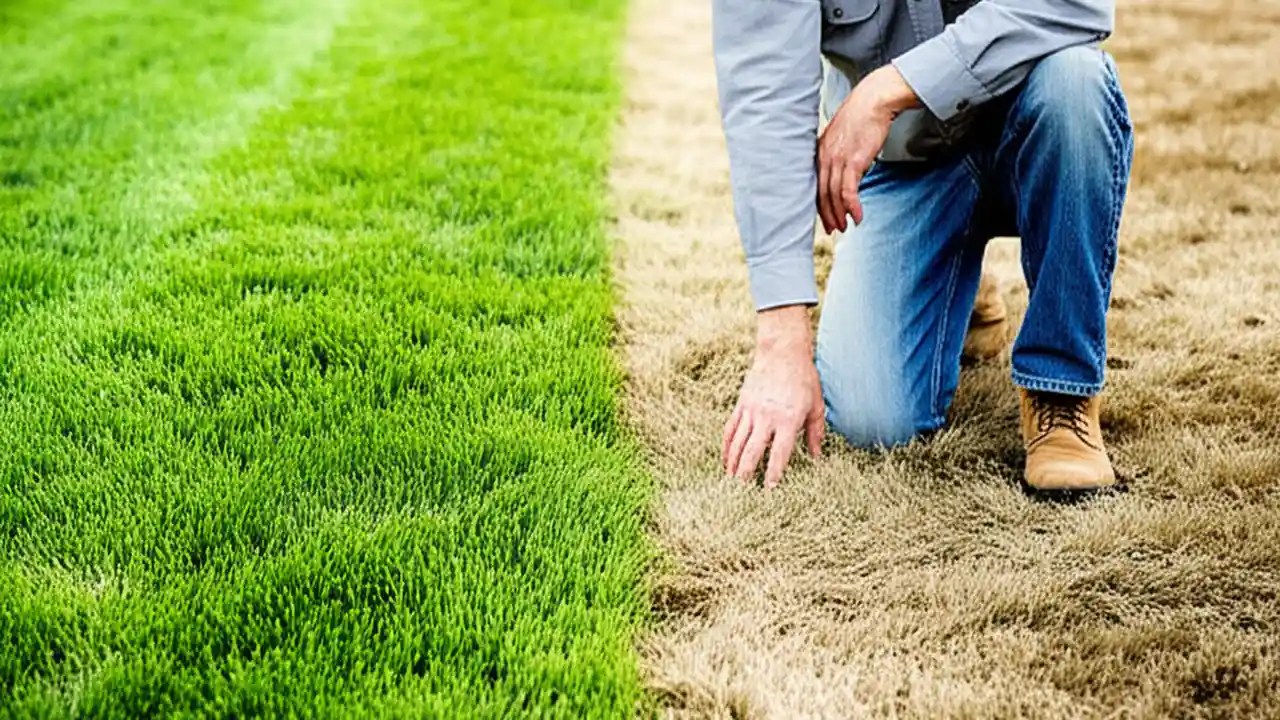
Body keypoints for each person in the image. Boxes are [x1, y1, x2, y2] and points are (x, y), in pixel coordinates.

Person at [715, 0, 1134, 492]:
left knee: (1078, 82)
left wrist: (888, 88)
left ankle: (1060, 392)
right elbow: (765, 93)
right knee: (873, 420)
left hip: (1040, 122)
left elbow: (1076, 5)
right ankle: (961, 282)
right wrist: (782, 340)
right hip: (906, 161)